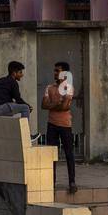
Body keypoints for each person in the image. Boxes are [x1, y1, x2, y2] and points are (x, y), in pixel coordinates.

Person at [43, 61, 77, 194]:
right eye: (55, 70)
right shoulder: (49, 87)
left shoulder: (68, 87)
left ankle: (72, 181)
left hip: (65, 125)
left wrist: (52, 104)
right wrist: (57, 103)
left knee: (69, 153)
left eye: (58, 71)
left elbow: (65, 107)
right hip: (51, 124)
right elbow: (43, 105)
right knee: (51, 154)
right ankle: (51, 182)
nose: (55, 73)